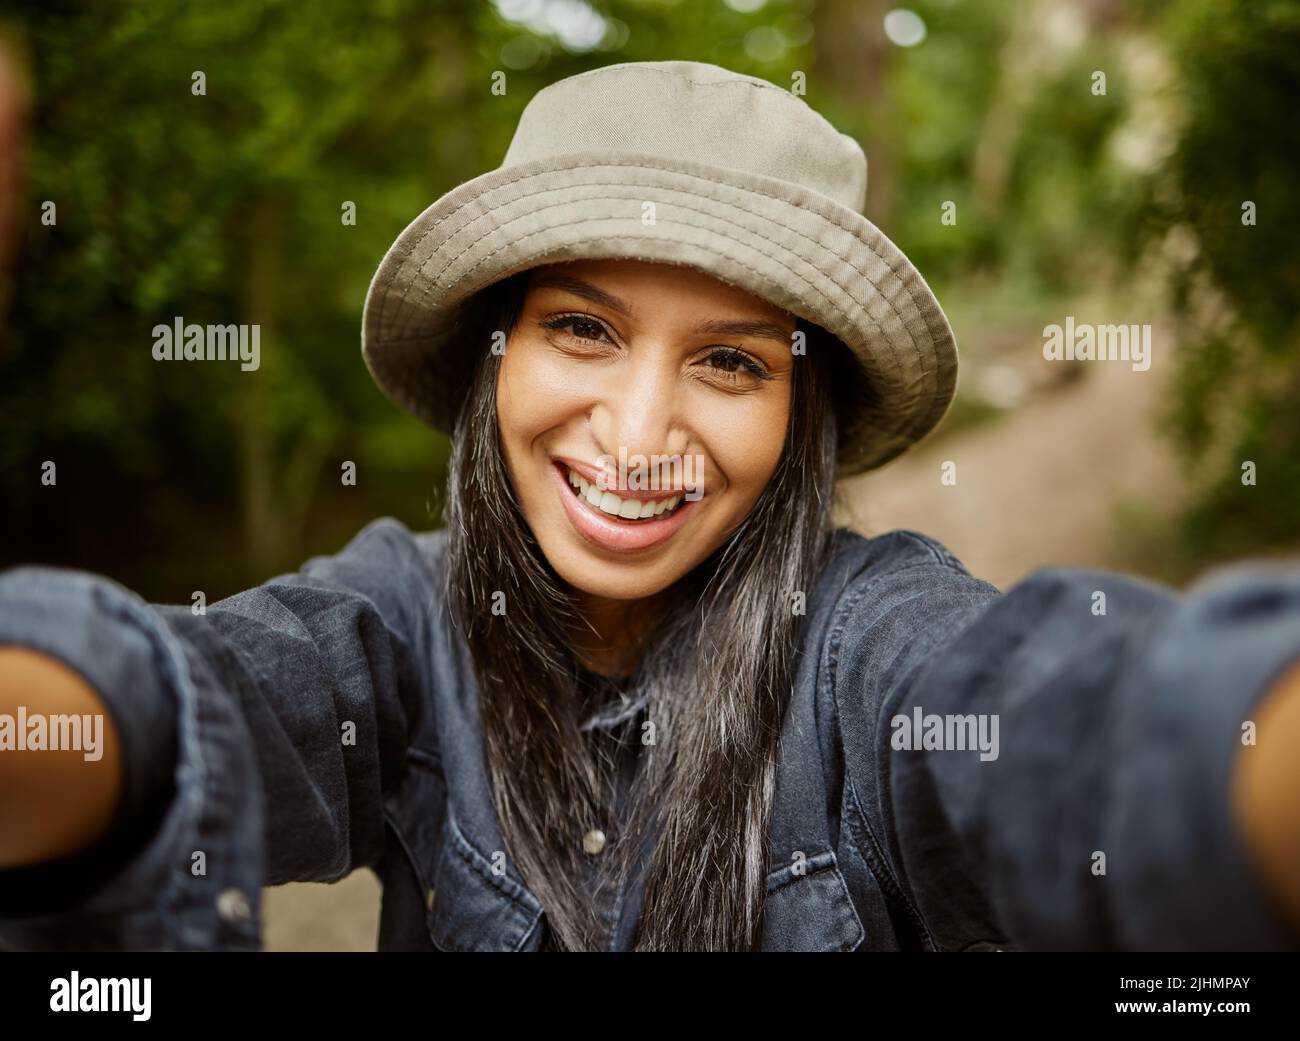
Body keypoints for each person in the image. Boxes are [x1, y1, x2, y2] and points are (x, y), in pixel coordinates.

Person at [1, 60, 1299, 953]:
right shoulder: (395, 617)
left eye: (730, 360)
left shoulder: (865, 636)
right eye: (582, 329)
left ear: (804, 413)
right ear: (495, 354)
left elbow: (1066, 713)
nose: (634, 433)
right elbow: (182, 696)